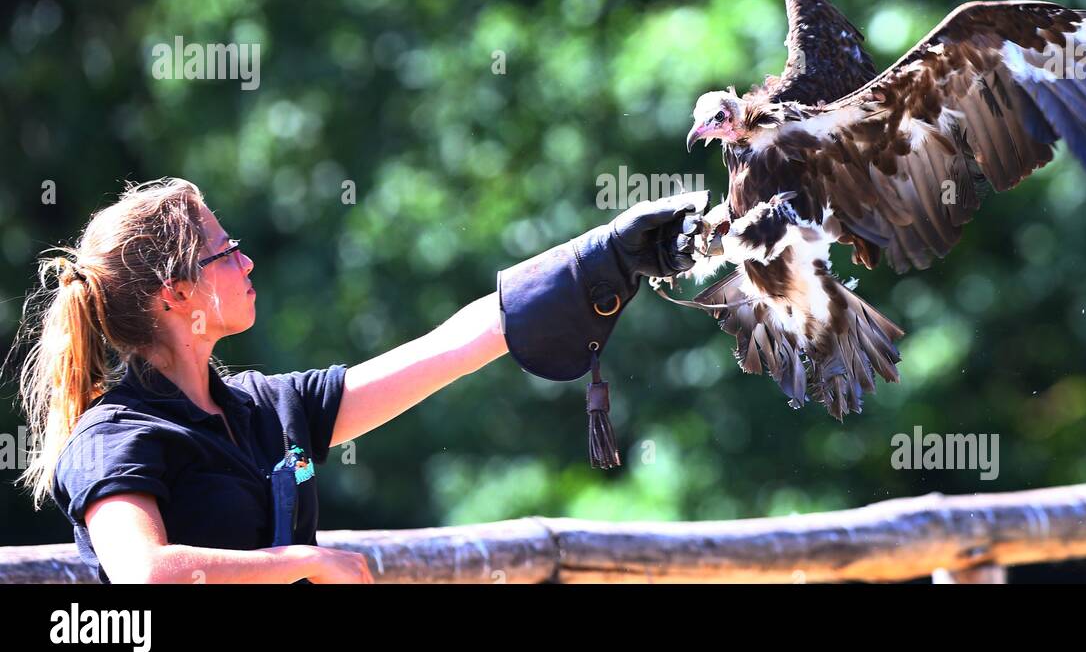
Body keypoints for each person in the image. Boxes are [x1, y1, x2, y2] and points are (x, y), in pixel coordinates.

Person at [13, 177, 705, 583]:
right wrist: (302, 564)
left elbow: (454, 345)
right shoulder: (116, 434)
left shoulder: (267, 408)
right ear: (175, 295)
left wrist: (604, 256)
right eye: (226, 252)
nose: (248, 264)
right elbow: (146, 573)